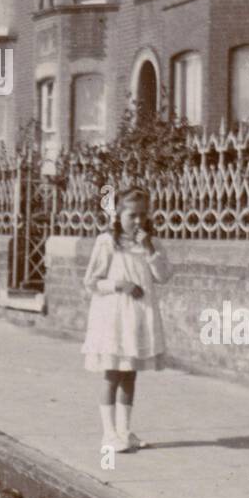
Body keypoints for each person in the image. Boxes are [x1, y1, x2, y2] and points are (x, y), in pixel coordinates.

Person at [82, 185, 175, 453]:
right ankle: (108, 433)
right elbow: (91, 282)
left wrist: (149, 249)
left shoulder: (152, 244)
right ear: (118, 215)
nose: (138, 221)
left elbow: (163, 276)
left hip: (137, 318)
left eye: (143, 215)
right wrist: (118, 285)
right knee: (112, 374)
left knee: (130, 374)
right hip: (113, 318)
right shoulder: (107, 242)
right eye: (132, 215)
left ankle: (124, 430)